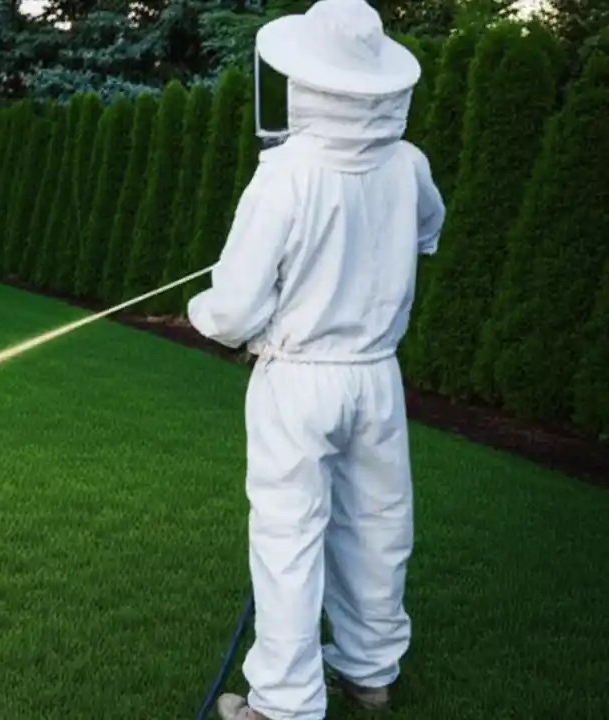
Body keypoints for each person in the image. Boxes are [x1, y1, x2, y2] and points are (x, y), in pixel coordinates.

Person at [185, 1, 446, 718]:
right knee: (377, 525)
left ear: (310, 79)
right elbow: (428, 231)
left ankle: (282, 704)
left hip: (298, 380)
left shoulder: (284, 175)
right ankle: (371, 672)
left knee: (288, 536)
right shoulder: (410, 163)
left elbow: (235, 309)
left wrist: (202, 314)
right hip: (377, 379)